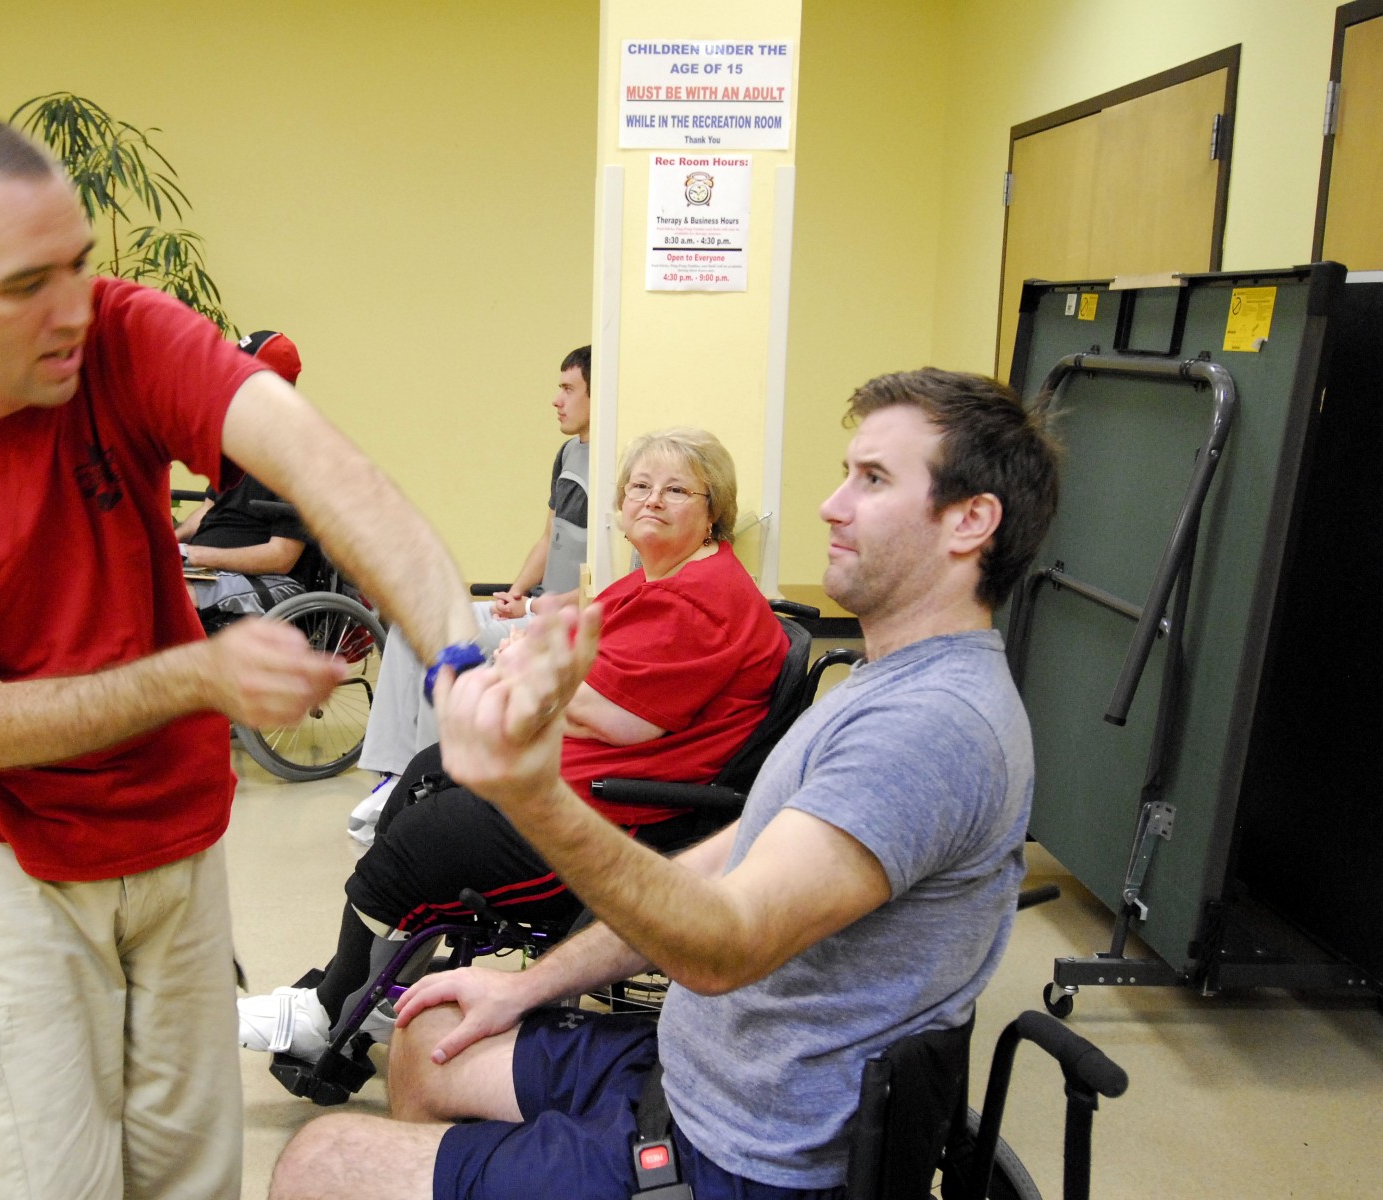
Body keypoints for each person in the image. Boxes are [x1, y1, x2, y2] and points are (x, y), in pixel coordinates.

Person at [0, 111, 478, 1200]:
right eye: (22, 284)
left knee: (189, 1175)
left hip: (172, 850)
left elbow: (336, 477)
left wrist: (462, 666)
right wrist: (199, 674)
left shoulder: (124, 334)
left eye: (80, 265)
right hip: (3, 864)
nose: (70, 312)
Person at [266, 368, 1062, 1200]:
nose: (831, 505)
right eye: (845, 473)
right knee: (431, 1034)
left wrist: (533, 794)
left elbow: (724, 946)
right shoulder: (882, 681)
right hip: (694, 1063)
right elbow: (723, 858)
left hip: (744, 1148)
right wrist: (530, 983)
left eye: (872, 480)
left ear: (971, 521)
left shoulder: (930, 727)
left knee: (317, 1163)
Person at [238, 428, 787, 1072]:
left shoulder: (701, 599)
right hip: (581, 780)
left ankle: (329, 1012)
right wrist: (533, 667)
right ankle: (365, 989)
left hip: (612, 820)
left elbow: (622, 720)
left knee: (425, 836)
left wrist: (526, 672)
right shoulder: (655, 581)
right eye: (639, 486)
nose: (651, 500)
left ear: (712, 508)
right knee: (425, 772)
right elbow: (580, 673)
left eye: (675, 490)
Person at [350, 345, 590, 840]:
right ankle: (396, 774)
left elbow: (603, 589)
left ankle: (432, 784)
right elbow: (551, 537)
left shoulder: (619, 468)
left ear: (600, 393)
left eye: (568, 389)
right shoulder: (569, 454)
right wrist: (516, 591)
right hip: (533, 604)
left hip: (560, 621)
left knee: (449, 646)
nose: (556, 400)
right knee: (411, 624)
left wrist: (534, 605)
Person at [176, 330, 316, 628]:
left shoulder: (301, 456)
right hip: (209, 571)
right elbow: (207, 511)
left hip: (273, 583)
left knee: (177, 597)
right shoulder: (236, 443)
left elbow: (281, 558)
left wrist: (199, 555)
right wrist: (166, 543)